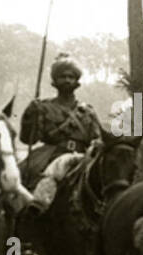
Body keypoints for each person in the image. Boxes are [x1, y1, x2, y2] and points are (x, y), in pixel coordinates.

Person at [20, 55, 103, 213]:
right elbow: (27, 140)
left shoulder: (88, 111)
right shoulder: (43, 107)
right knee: (26, 178)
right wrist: (30, 115)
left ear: (77, 81)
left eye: (71, 77)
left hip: (82, 155)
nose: (67, 80)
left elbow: (97, 139)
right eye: (62, 76)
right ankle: (32, 212)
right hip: (50, 154)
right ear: (54, 81)